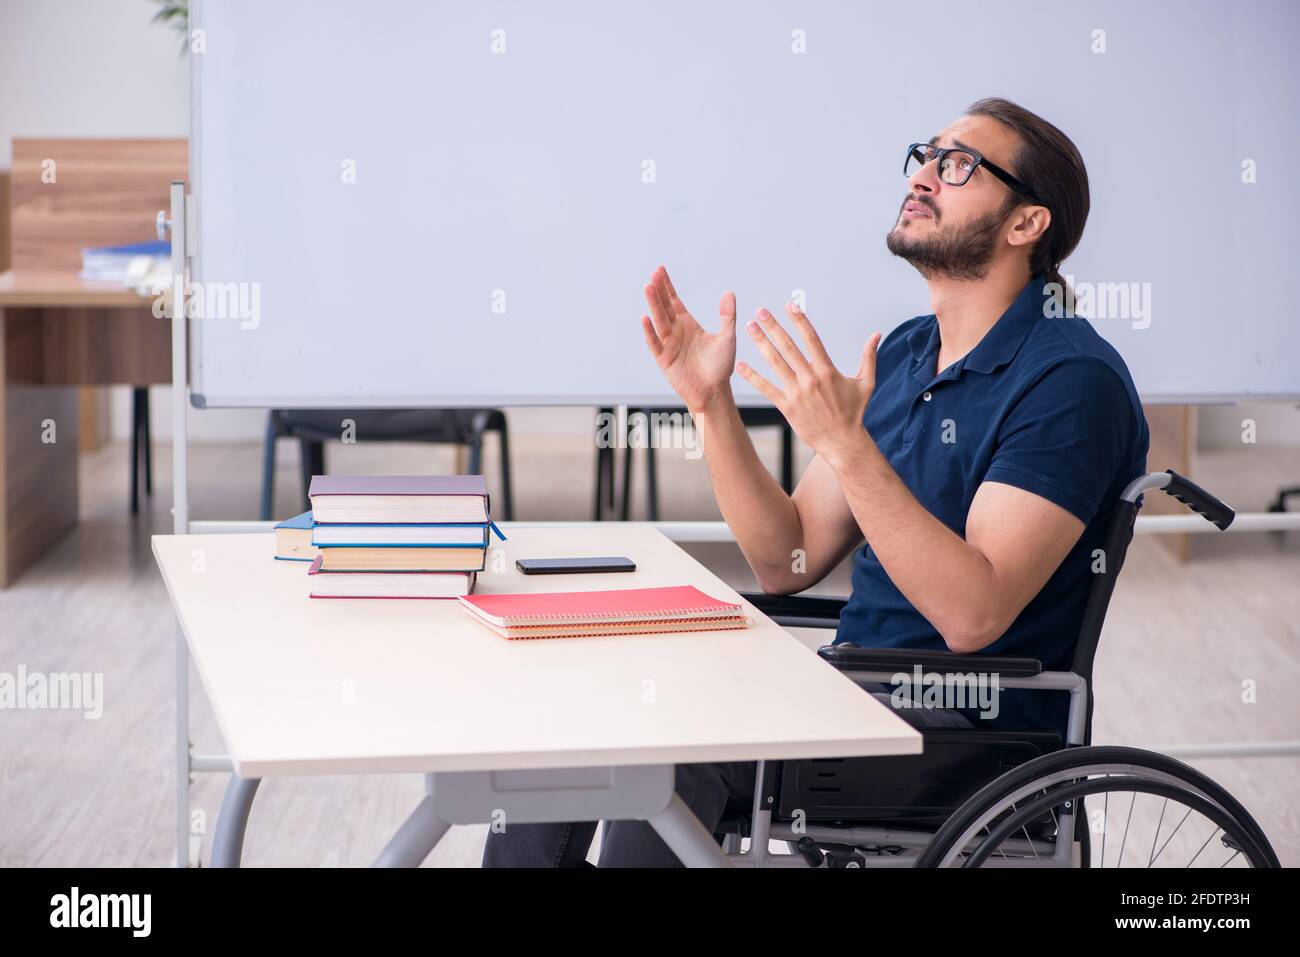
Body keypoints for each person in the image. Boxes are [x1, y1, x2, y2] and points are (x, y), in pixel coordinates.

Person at [483, 97, 1149, 867]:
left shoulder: (1071, 381)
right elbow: (786, 556)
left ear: (1026, 223)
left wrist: (847, 444)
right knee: (581, 701)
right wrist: (710, 403)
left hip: (965, 736)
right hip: (854, 693)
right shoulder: (906, 353)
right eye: (926, 156)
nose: (924, 176)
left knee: (671, 743)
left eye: (959, 164)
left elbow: (973, 614)